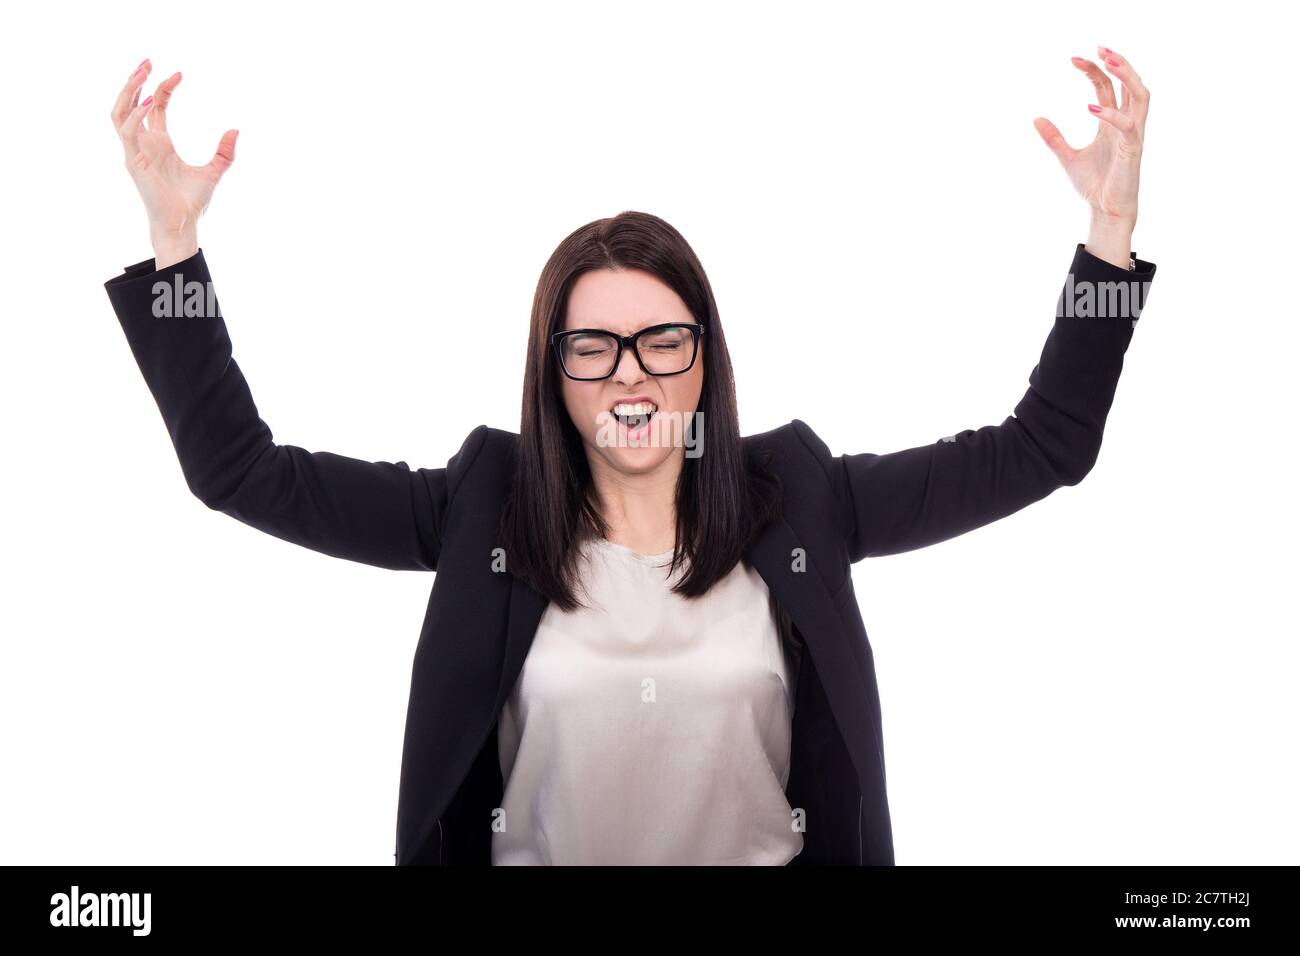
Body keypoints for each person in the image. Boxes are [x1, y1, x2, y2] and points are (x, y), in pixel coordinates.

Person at [104, 49, 1156, 865]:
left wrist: (1108, 236)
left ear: (704, 358)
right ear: (552, 373)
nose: (630, 376)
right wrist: (176, 251)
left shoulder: (802, 497)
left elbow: (1044, 446)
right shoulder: (481, 506)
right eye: (593, 347)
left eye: (662, 341)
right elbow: (238, 470)